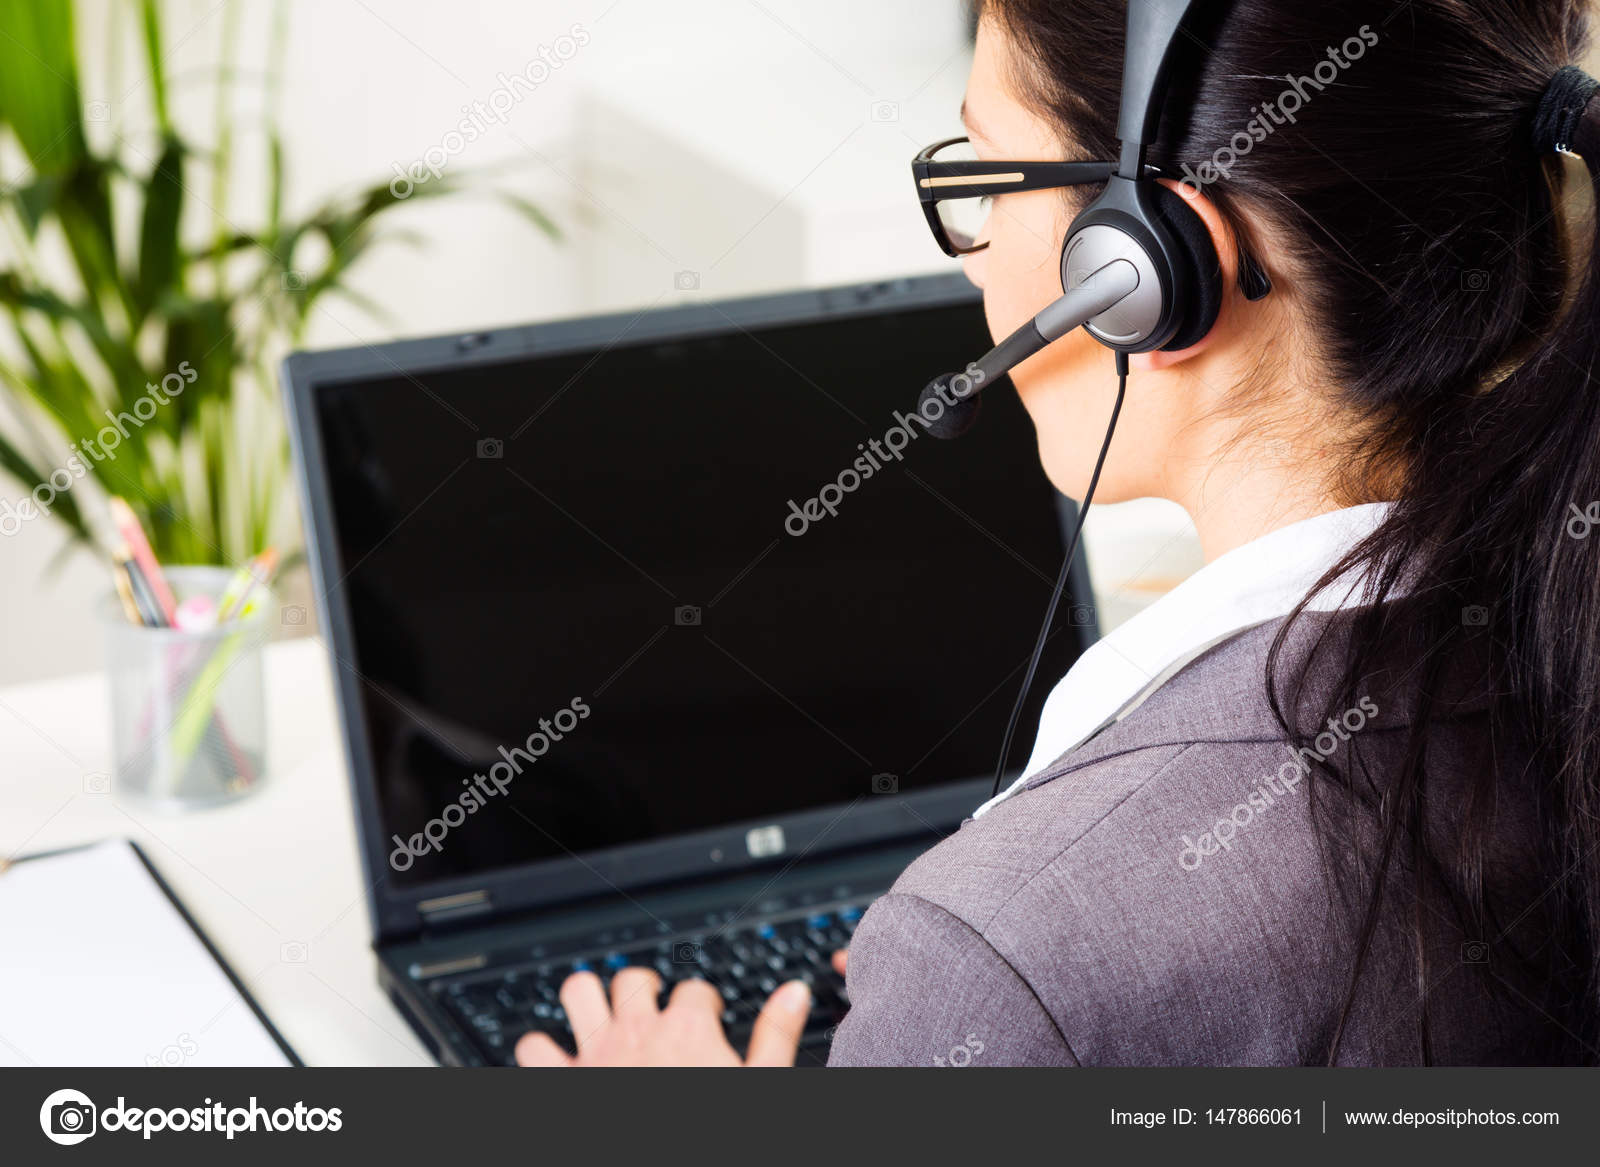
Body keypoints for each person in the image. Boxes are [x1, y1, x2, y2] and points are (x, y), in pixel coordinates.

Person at [516, 0, 1600, 1067]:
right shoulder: (1559, 648)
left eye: (987, 179)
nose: (975, 259)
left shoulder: (1005, 955)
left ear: (1147, 269)